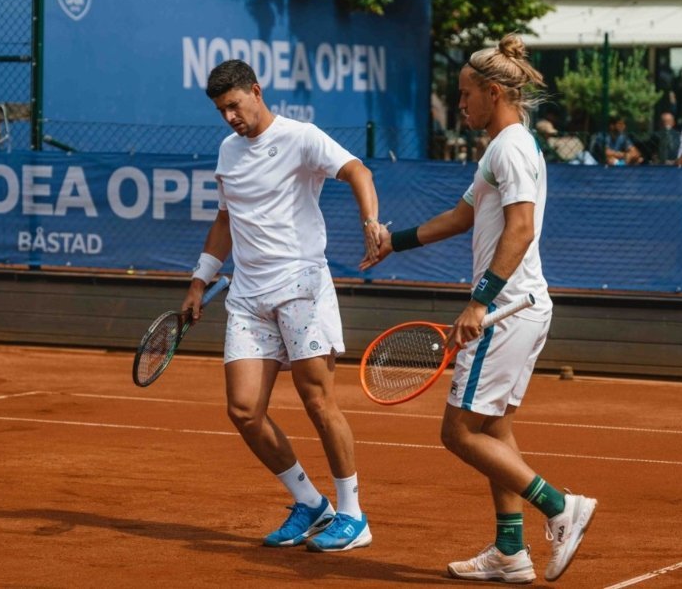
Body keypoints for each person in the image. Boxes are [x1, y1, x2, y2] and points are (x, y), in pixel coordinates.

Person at [362, 34, 597, 584]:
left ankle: (561, 506)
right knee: (493, 428)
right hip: (521, 307)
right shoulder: (505, 147)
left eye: (466, 94)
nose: (460, 103)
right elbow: (462, 217)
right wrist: (393, 241)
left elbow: (521, 228)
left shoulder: (510, 148)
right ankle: (511, 553)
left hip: (506, 311)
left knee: (458, 432)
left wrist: (479, 301)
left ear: (493, 92)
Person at [181, 59, 382, 552]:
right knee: (244, 410)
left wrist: (371, 222)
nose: (229, 117)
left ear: (256, 90)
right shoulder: (227, 153)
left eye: (234, 105)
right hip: (248, 297)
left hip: (300, 287)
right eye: (220, 110)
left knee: (317, 400)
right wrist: (198, 279)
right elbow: (226, 220)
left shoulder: (301, 136)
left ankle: (354, 514)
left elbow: (358, 170)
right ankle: (312, 504)